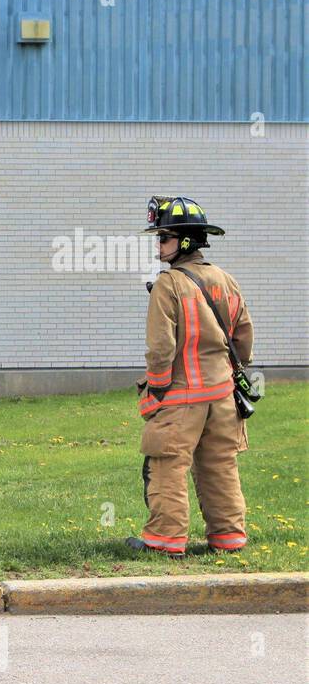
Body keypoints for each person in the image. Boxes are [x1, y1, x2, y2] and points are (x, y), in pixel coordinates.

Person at [128, 195, 253, 558]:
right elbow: (244, 338)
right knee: (220, 467)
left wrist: (159, 387)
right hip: (223, 396)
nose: (157, 245)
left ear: (184, 241)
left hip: (182, 398)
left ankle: (164, 541)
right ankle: (229, 538)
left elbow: (161, 347)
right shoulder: (226, 280)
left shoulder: (168, 285)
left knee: (167, 465)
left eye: (163, 237)